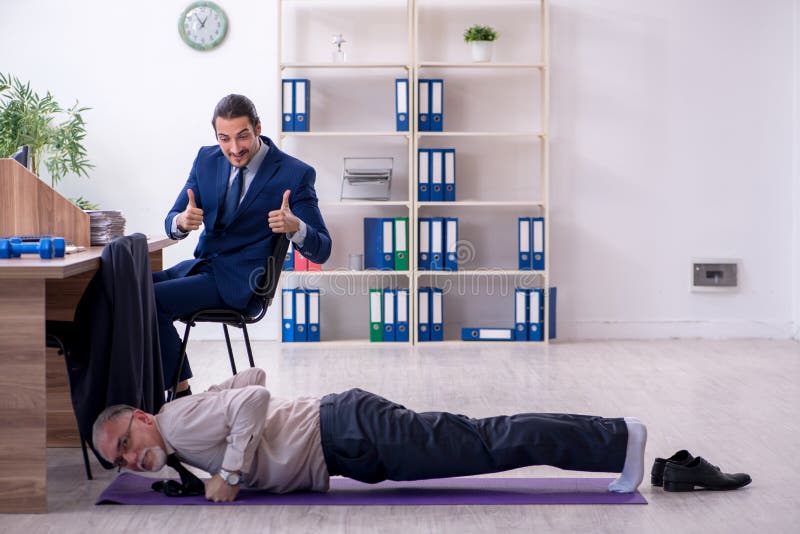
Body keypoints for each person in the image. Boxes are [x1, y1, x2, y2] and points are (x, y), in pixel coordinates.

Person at [93, 368, 648, 503]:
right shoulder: (179, 427)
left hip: (348, 433)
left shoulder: (175, 423)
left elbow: (255, 399)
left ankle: (620, 440)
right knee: (483, 440)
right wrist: (220, 396)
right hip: (349, 435)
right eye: (119, 461)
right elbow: (254, 379)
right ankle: (616, 439)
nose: (130, 460)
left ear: (142, 417)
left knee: (486, 443)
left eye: (124, 443)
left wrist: (232, 473)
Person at [153, 95, 331, 397]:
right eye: (225, 139)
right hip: (201, 268)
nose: (234, 148)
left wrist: (296, 227)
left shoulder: (294, 173)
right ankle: (132, 397)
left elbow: (323, 248)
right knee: (127, 290)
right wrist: (181, 221)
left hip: (240, 284)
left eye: (242, 136)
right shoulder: (206, 160)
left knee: (150, 300)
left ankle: (180, 397)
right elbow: (173, 218)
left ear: (258, 127)